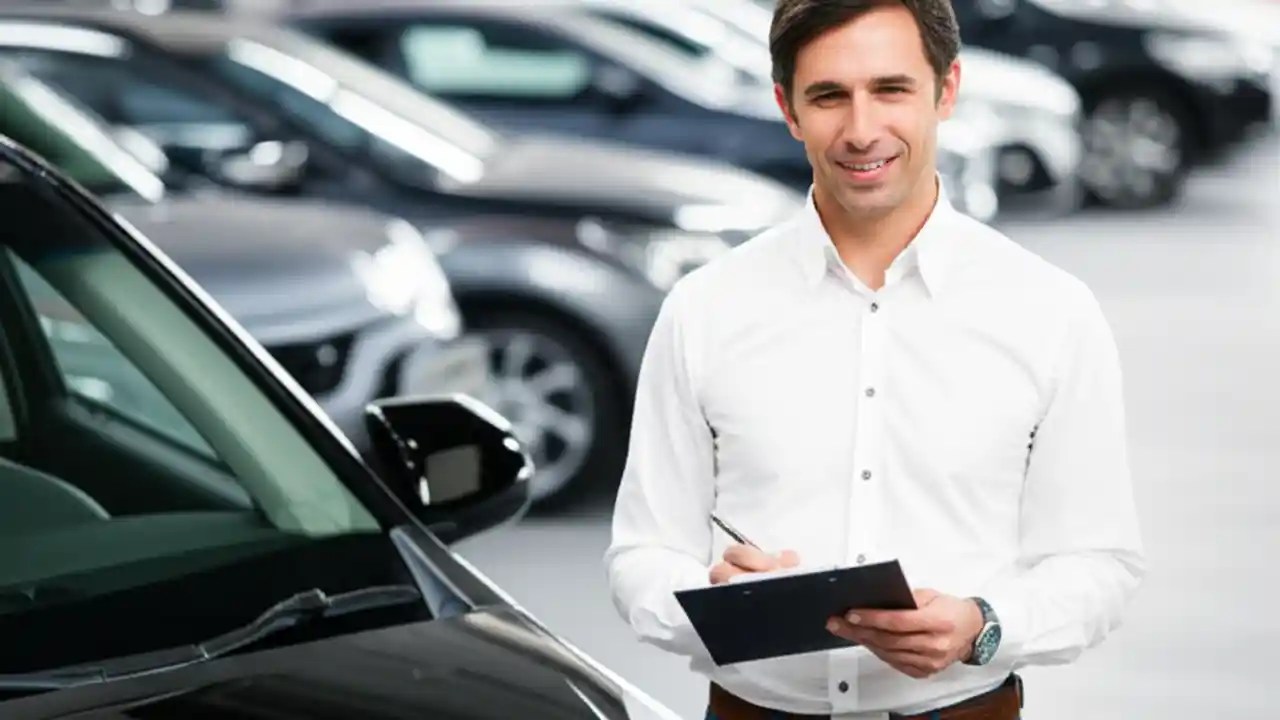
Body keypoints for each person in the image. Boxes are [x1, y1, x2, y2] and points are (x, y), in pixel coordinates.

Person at [604, 0, 1147, 718]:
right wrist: (716, 608)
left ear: (945, 91)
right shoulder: (704, 309)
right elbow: (641, 556)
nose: (862, 132)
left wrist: (983, 626)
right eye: (829, 96)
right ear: (787, 109)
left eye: (891, 90)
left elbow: (1100, 563)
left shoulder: (1051, 311)